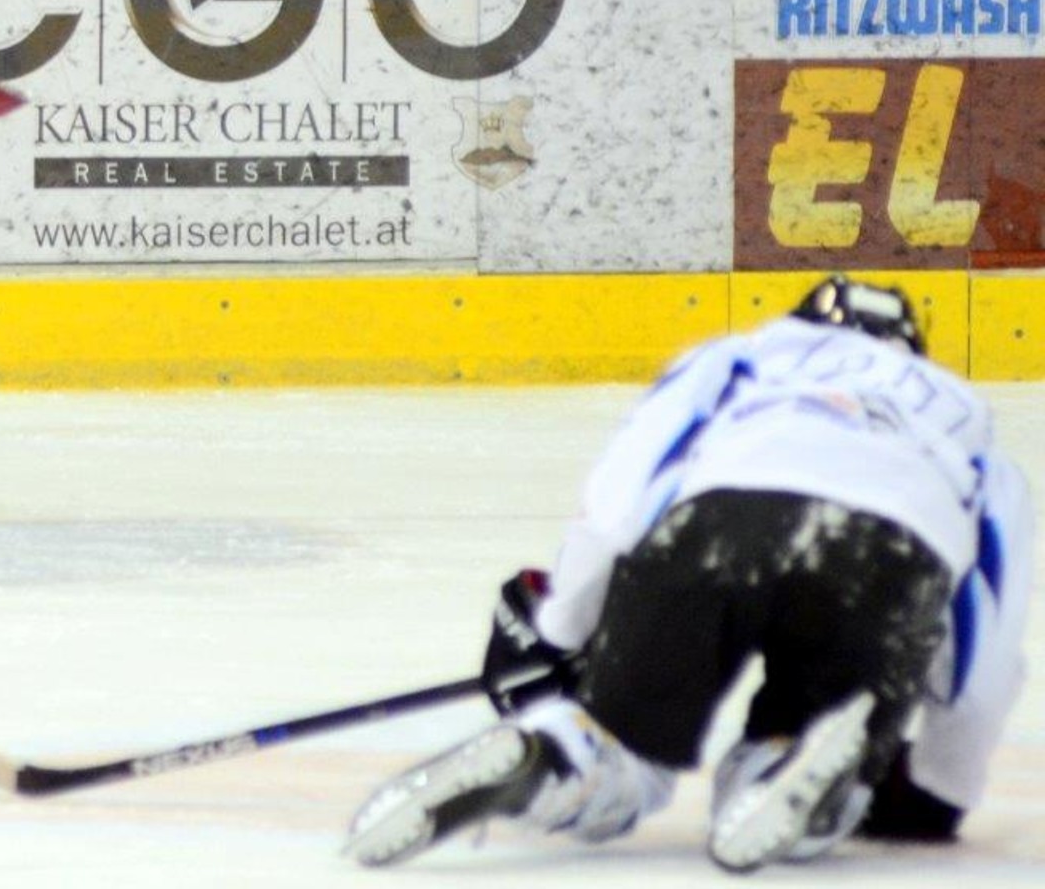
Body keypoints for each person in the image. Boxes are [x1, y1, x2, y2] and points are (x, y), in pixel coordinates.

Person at [343, 275, 1032, 873]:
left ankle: (552, 755)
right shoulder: (966, 425)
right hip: (886, 553)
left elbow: (617, 503)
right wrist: (943, 788)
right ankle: (797, 769)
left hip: (715, 521)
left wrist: (559, 633)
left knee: (623, 751)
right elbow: (987, 632)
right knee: (806, 744)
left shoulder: (743, 359)